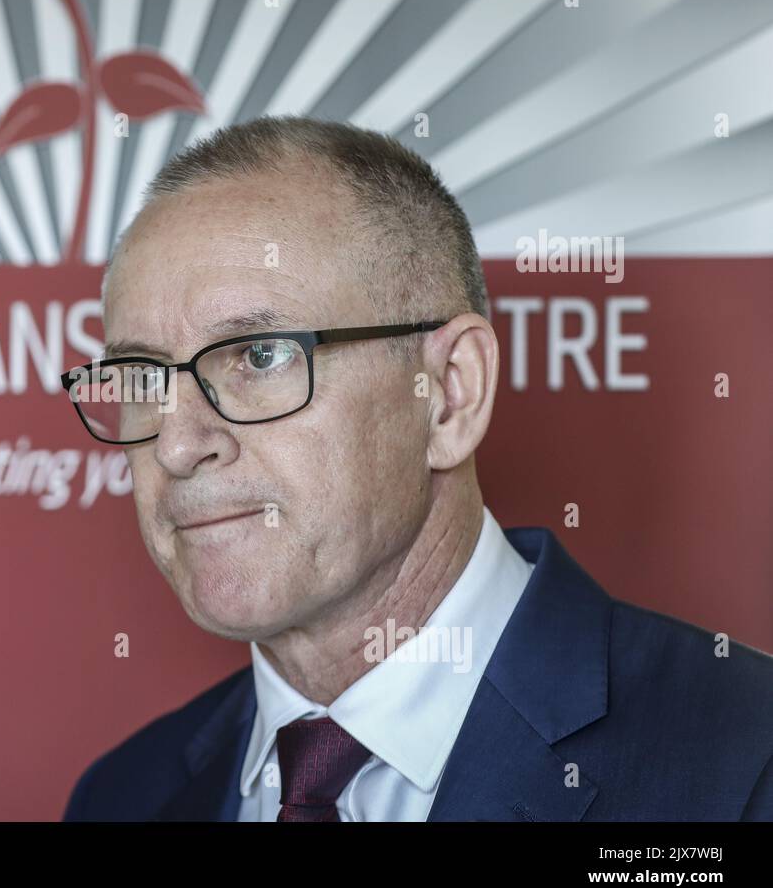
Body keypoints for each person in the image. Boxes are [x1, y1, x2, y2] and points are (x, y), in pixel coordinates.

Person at [58, 116, 773, 821]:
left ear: (450, 394)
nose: (179, 448)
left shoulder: (744, 760)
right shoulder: (123, 795)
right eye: (142, 377)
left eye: (261, 355)